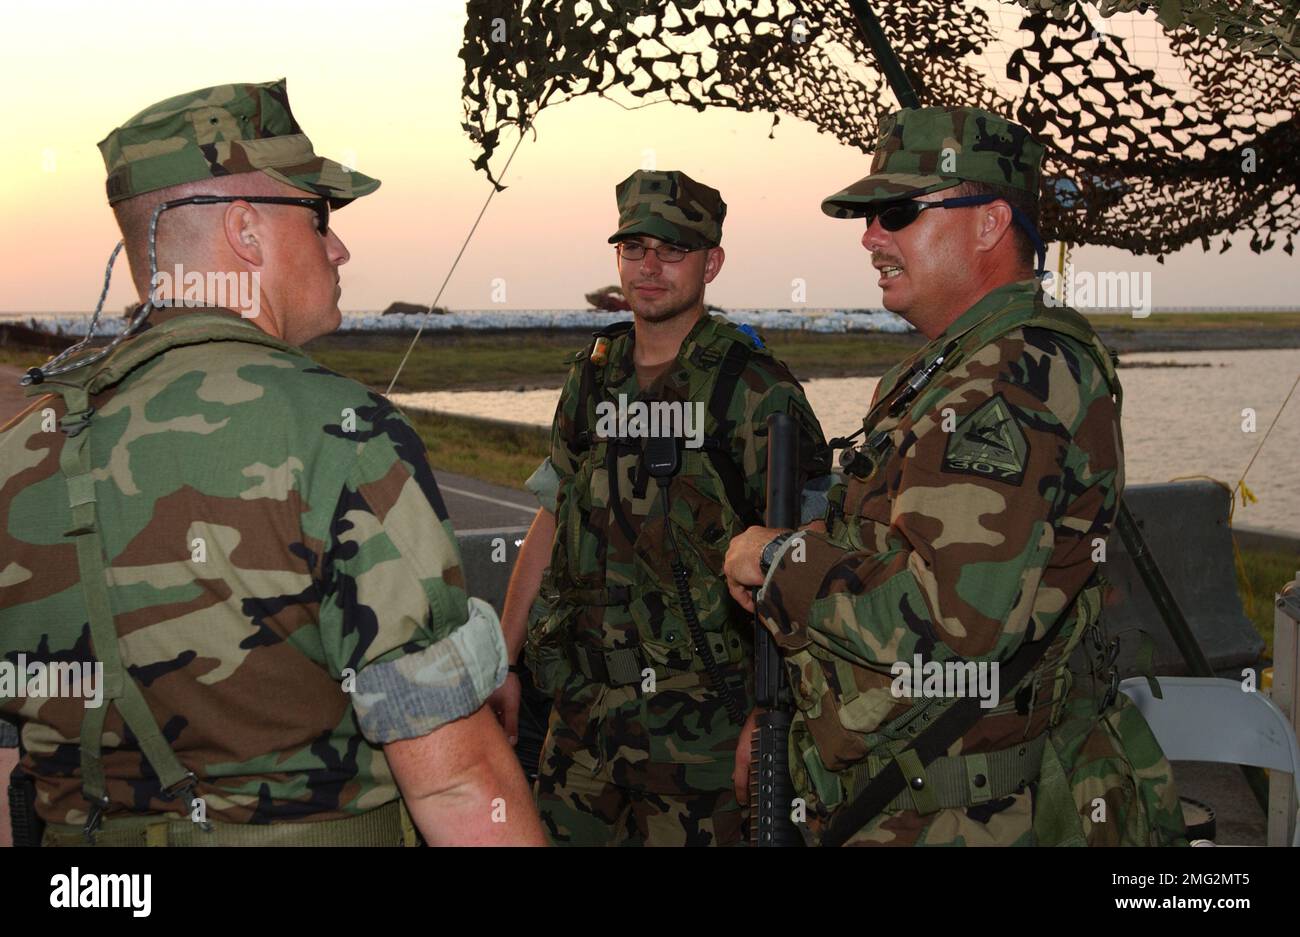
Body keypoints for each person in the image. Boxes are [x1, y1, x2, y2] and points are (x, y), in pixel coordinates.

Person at [0, 79, 544, 846]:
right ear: (247, 231)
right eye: (320, 216)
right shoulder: (340, 432)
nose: (339, 245)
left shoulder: (24, 444)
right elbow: (459, 782)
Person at [723, 106, 1186, 847]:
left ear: (989, 222)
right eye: (870, 216)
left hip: (964, 813)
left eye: (898, 212)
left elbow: (947, 624)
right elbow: (888, 550)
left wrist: (777, 560)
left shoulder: (1009, 383)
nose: (872, 236)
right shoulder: (956, 369)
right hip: (899, 785)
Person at [490, 169, 831, 845]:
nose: (649, 267)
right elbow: (551, 515)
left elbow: (806, 553)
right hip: (583, 723)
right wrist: (503, 659)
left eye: (672, 250)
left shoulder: (752, 387)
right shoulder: (593, 373)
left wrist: (774, 713)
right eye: (634, 247)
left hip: (707, 732)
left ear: (713, 261)